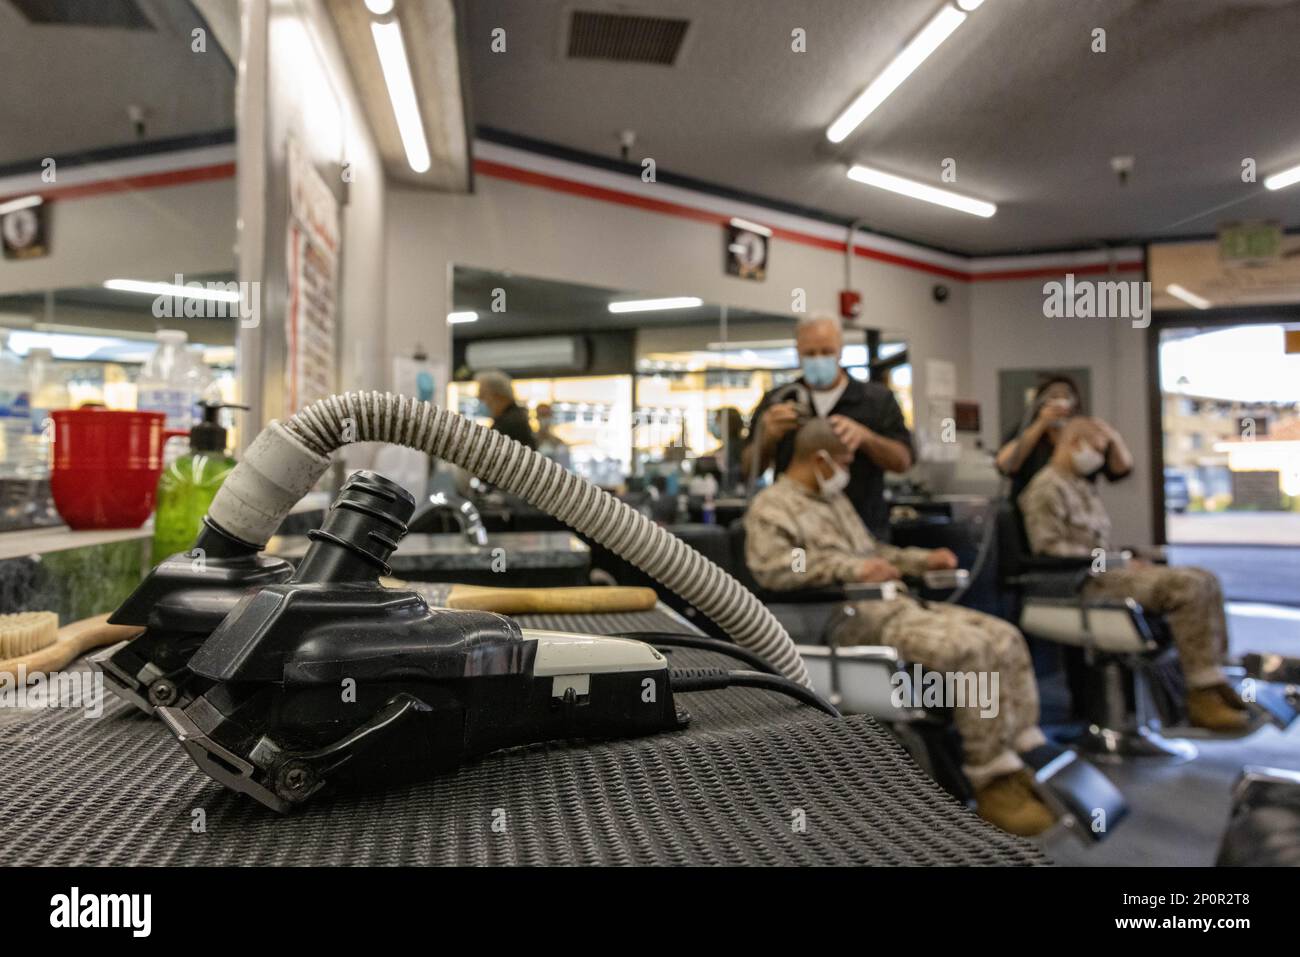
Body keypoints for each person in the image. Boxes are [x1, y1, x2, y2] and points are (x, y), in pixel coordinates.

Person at [745, 419, 1056, 836]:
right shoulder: (771, 507)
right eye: (844, 463)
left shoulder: (833, 501)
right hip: (842, 618)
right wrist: (851, 569)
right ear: (820, 460)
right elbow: (773, 569)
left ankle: (1021, 752)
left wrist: (921, 560)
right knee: (968, 649)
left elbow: (874, 552)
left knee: (1004, 636)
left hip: (894, 606)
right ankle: (991, 779)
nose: (846, 471)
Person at [1018, 417, 1249, 732]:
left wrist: (1126, 559)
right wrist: (1117, 562)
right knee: (1186, 585)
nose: (1100, 458)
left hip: (1104, 573)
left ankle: (1214, 679)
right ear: (1075, 444)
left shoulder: (1080, 486)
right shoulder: (1046, 488)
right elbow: (1050, 551)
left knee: (1205, 578)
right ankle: (1200, 694)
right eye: (1098, 449)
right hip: (1080, 582)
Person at [742, 314, 912, 540]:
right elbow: (748, 470)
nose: (818, 359)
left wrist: (866, 438)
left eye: (826, 351)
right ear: (797, 352)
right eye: (810, 353)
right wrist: (767, 437)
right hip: (795, 531)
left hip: (862, 531)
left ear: (840, 350)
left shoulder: (876, 400)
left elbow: (903, 461)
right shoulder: (777, 401)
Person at [995, 375, 1133, 502]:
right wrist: (1041, 423)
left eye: (1066, 396)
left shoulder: (1085, 434)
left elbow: (1121, 470)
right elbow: (1004, 465)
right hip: (1032, 511)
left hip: (1076, 511)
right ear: (1040, 403)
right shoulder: (1028, 431)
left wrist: (1113, 437)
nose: (1060, 402)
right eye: (1054, 396)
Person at [475, 369, 536, 450]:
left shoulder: (510, 424)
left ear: (499, 396)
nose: (480, 399)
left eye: (483, 395)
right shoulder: (513, 418)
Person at [534, 403, 571, 469]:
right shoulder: (531, 440)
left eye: (546, 415)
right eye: (542, 415)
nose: (544, 419)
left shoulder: (561, 446)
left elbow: (565, 469)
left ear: (551, 417)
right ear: (537, 417)